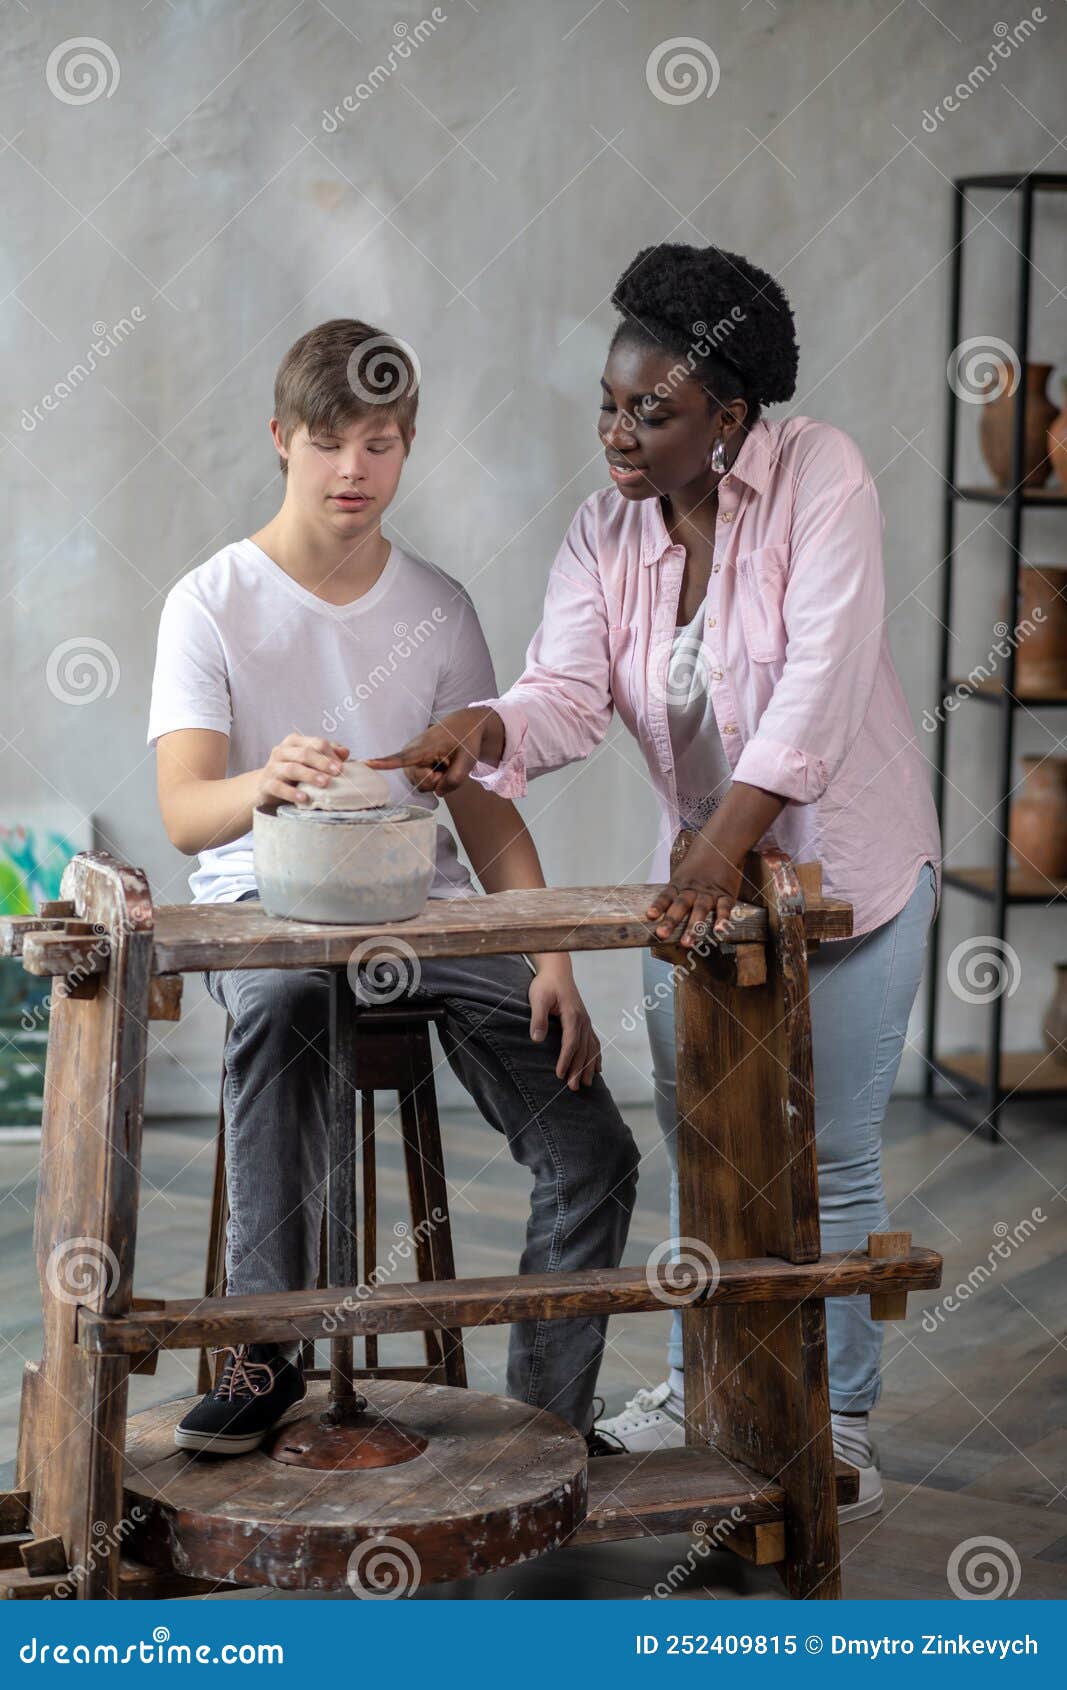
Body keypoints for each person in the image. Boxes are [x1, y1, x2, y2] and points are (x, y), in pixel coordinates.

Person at [368, 245, 943, 1521]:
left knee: (826, 1157)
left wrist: (715, 846)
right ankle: (712, 1394)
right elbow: (567, 689)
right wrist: (487, 725)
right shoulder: (603, 527)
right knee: (707, 1154)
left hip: (843, 873)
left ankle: (836, 1422)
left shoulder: (820, 478)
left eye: (651, 412)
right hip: (704, 890)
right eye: (608, 405)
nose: (617, 435)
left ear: (726, 420)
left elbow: (820, 685)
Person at [147, 317, 638, 1456]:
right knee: (283, 1000)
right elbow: (183, 809)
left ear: (407, 446)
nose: (352, 470)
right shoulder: (210, 599)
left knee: (595, 1150)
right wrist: (260, 781)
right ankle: (266, 1353)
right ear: (281, 439)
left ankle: (545, 1419)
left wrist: (551, 955)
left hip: (420, 906)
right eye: (328, 442)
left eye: (379, 443)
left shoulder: (438, 605)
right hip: (262, 905)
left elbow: (484, 812)